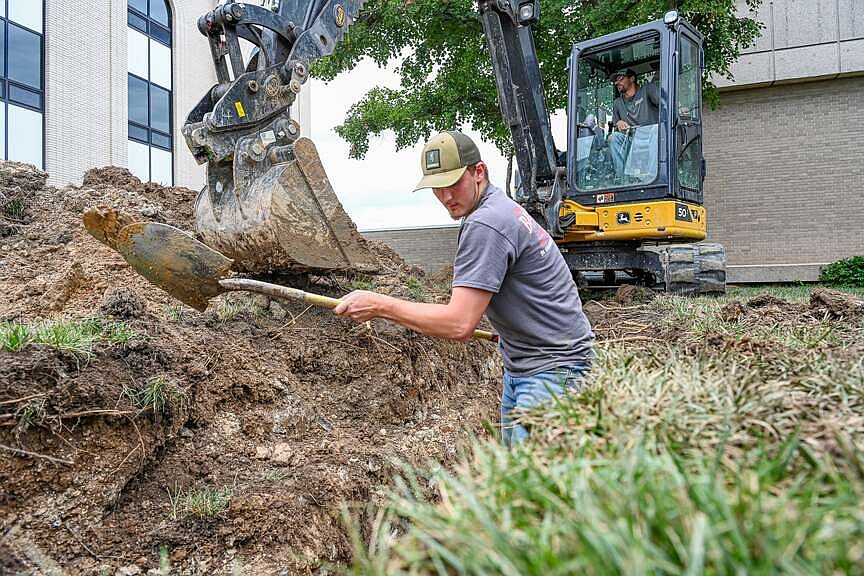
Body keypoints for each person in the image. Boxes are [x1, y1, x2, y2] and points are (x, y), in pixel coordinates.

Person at [333, 131, 595, 446]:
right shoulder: (500, 208)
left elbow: (459, 324)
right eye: (437, 188)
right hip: (535, 364)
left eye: (453, 184)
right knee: (520, 471)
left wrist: (379, 305)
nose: (446, 197)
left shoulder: (487, 223)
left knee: (538, 475)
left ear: (478, 172)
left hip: (551, 373)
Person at [608, 68, 660, 177]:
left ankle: (652, 176)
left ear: (632, 78)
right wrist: (619, 123)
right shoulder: (617, 103)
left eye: (620, 78)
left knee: (657, 130)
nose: (617, 83)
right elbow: (616, 123)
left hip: (651, 137)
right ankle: (622, 179)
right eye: (616, 81)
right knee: (614, 137)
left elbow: (665, 106)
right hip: (632, 141)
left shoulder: (647, 90)